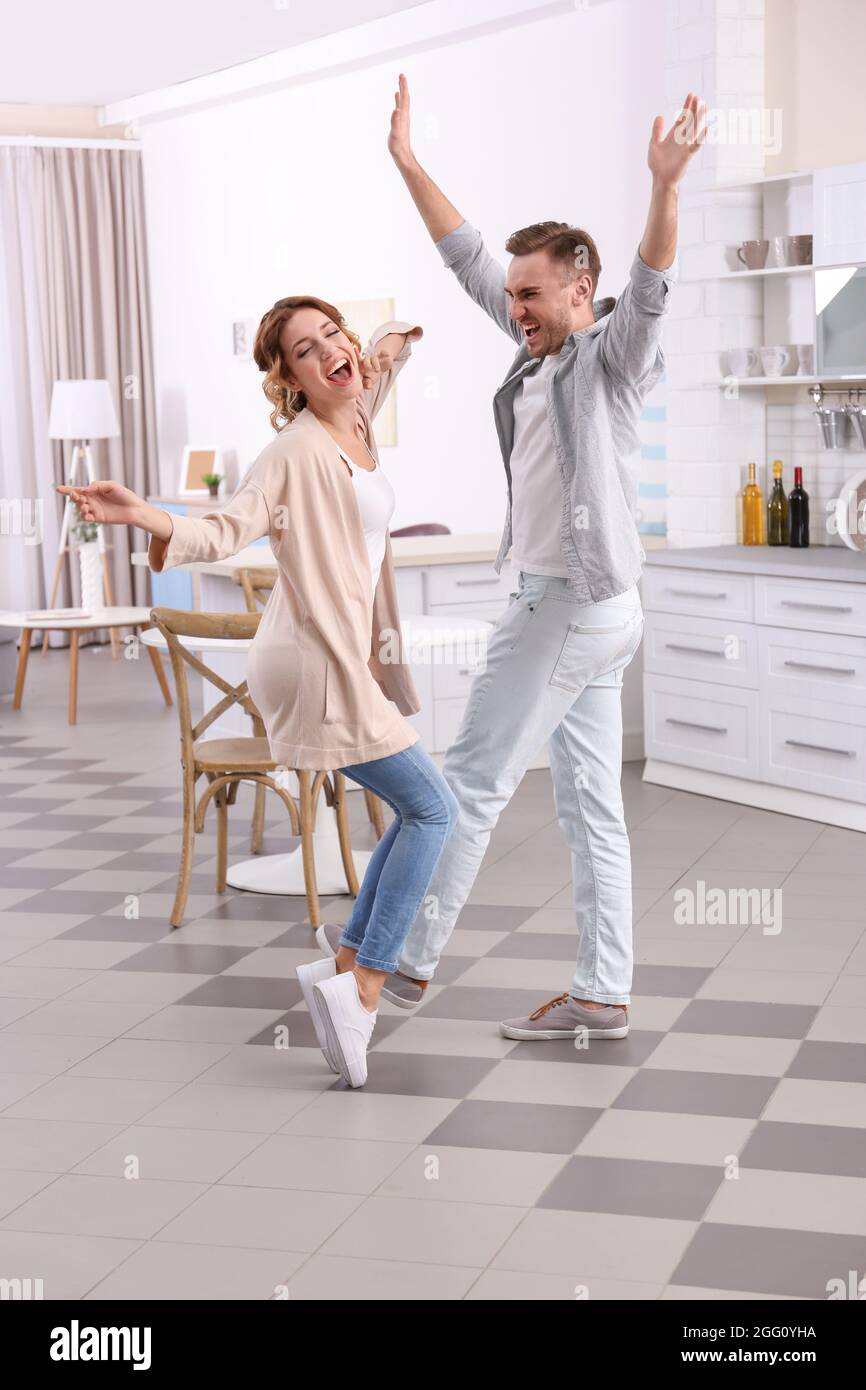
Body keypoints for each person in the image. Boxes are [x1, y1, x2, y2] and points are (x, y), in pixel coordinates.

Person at [365, 75, 705, 1040]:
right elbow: (466, 253)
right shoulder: (535, 352)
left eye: (531, 292)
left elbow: (649, 289)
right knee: (592, 806)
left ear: (578, 288)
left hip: (564, 606)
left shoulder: (610, 355)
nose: (513, 304)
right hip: (603, 613)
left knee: (467, 782)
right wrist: (408, 161)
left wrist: (666, 187)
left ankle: (398, 969)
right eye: (511, 294)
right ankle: (601, 993)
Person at [58, 297, 458, 1088]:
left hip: (331, 650)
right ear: (290, 379)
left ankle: (347, 964)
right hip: (312, 659)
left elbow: (375, 366)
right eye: (308, 351)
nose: (333, 354)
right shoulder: (296, 449)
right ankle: (366, 985)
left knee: (418, 810)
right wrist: (148, 513)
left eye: (333, 334)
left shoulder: (357, 417)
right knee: (434, 809)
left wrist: (391, 339)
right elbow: (230, 525)